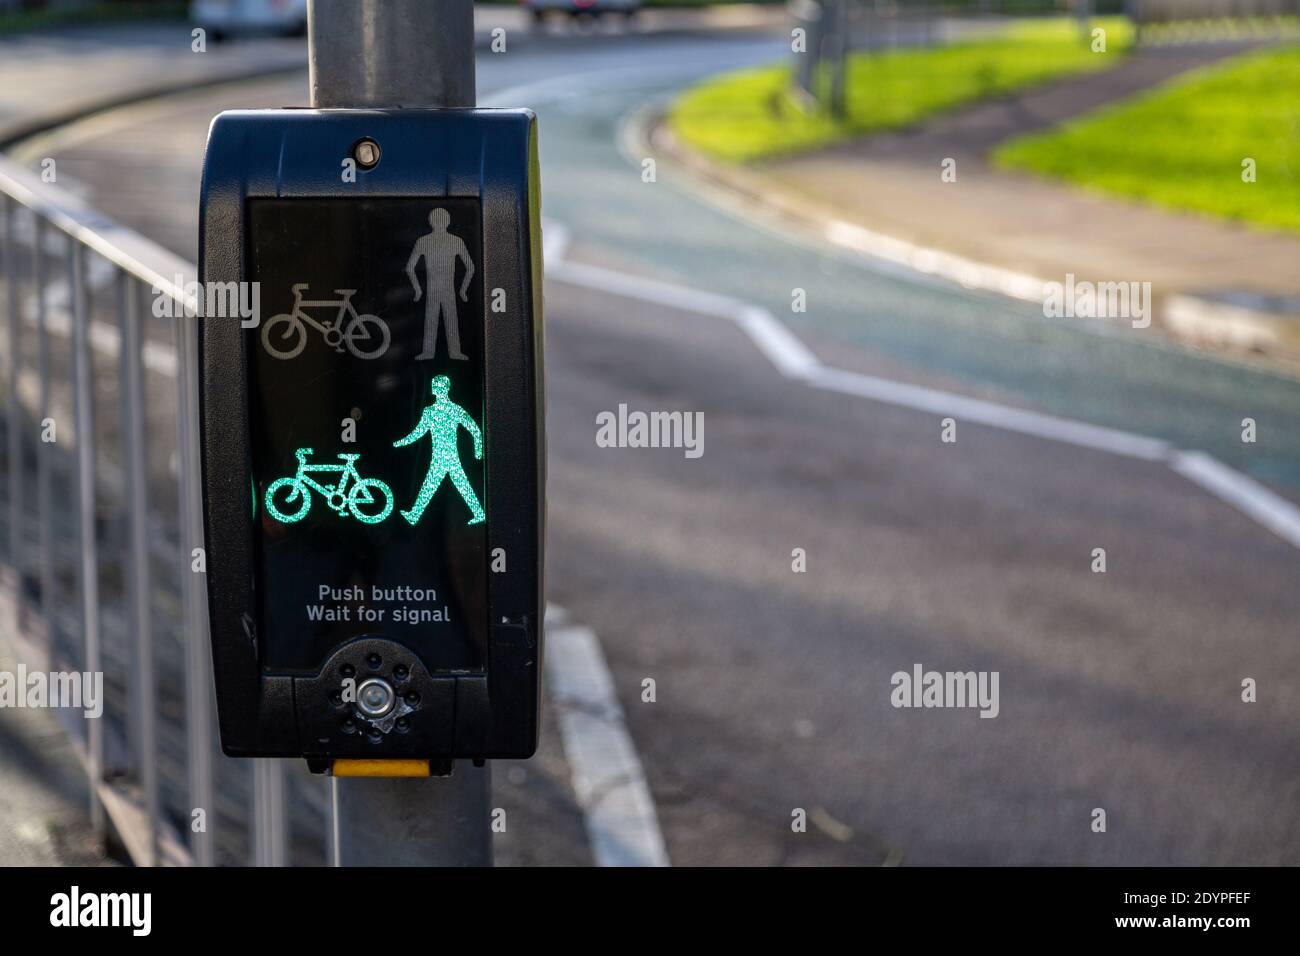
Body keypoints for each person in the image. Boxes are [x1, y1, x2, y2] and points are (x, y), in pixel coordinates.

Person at [393, 375, 485, 525]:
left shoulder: (449, 410)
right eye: (437, 387)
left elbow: (475, 429)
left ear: (441, 389)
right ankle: (479, 513)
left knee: (433, 486)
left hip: (444, 459)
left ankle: (415, 515)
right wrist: (401, 443)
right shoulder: (437, 411)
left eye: (440, 387)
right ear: (434, 390)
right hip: (443, 458)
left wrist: (478, 452)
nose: (439, 390)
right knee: (444, 486)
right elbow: (419, 432)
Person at [405, 208, 474, 361]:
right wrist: (463, 290)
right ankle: (452, 352)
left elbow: (410, 268)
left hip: (433, 289)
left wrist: (418, 290)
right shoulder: (456, 241)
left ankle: (430, 352)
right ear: (447, 221)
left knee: (433, 319)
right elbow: (470, 267)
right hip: (446, 289)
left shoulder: (423, 241)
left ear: (431, 221)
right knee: (449, 320)